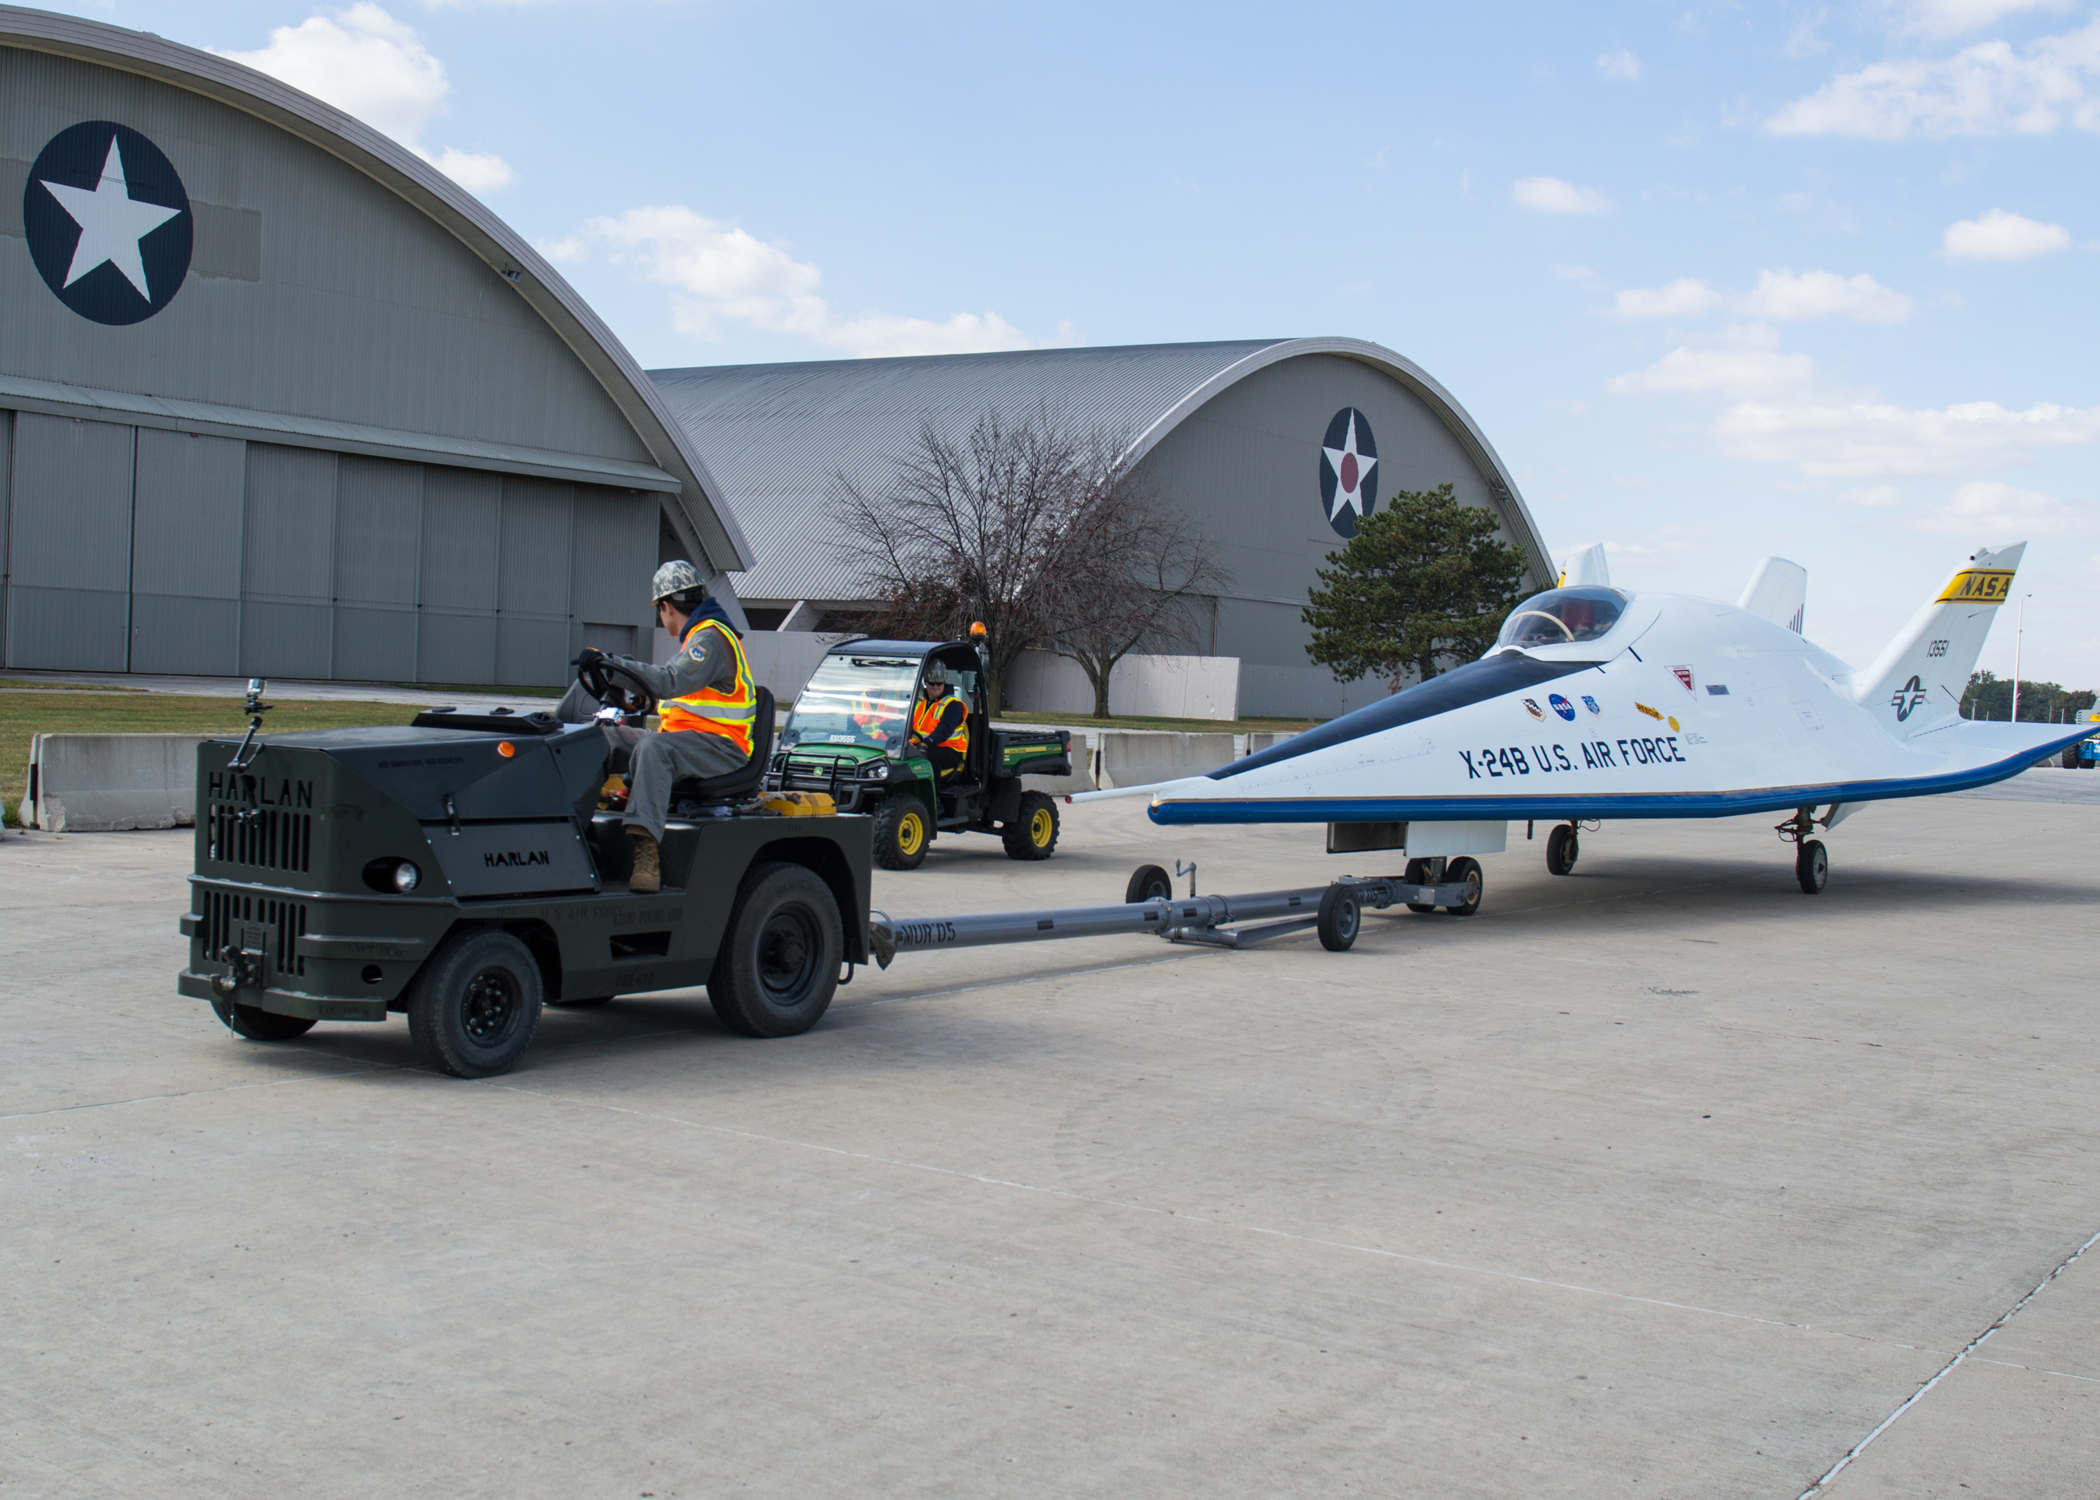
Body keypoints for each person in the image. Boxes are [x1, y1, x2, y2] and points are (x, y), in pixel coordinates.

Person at [563, 560, 756, 893]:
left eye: (659, 610)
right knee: (598, 739)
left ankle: (646, 855)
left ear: (666, 606)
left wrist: (613, 666)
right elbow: (674, 698)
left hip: (722, 746)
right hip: (687, 741)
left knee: (653, 748)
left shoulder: (710, 639)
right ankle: (574, 840)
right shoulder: (698, 639)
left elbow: (670, 681)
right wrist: (632, 696)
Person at [909, 661, 969, 782]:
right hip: (920, 745)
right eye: (932, 683)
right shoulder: (918, 700)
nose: (935, 687)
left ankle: (933, 795)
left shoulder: (952, 705)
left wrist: (926, 743)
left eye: (939, 683)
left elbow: (944, 730)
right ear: (925, 682)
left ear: (944, 681)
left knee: (930, 756)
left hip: (950, 750)